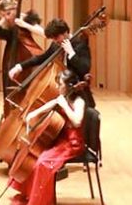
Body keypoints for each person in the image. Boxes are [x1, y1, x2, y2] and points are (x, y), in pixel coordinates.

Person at [14, 17, 99, 154]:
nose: (55, 41)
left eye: (56, 37)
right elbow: (42, 58)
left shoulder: (80, 45)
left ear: (65, 33)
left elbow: (85, 69)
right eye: (53, 39)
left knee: (85, 125)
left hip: (78, 93)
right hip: (63, 91)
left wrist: (71, 53)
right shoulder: (56, 45)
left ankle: (90, 150)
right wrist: (20, 66)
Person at [7, 74, 88, 205]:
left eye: (60, 84)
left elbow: (77, 121)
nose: (57, 87)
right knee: (34, 157)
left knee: (43, 163)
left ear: (69, 86)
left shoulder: (79, 101)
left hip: (73, 143)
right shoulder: (63, 96)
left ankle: (40, 203)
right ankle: (28, 194)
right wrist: (33, 113)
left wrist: (64, 106)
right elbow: (50, 104)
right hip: (61, 138)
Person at [0, 0, 46, 109]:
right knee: (11, 90)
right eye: (3, 15)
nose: (7, 17)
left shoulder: (25, 18)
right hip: (10, 57)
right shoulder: (2, 24)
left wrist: (25, 25)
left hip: (28, 58)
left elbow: (44, 34)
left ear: (15, 8)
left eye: (9, 13)